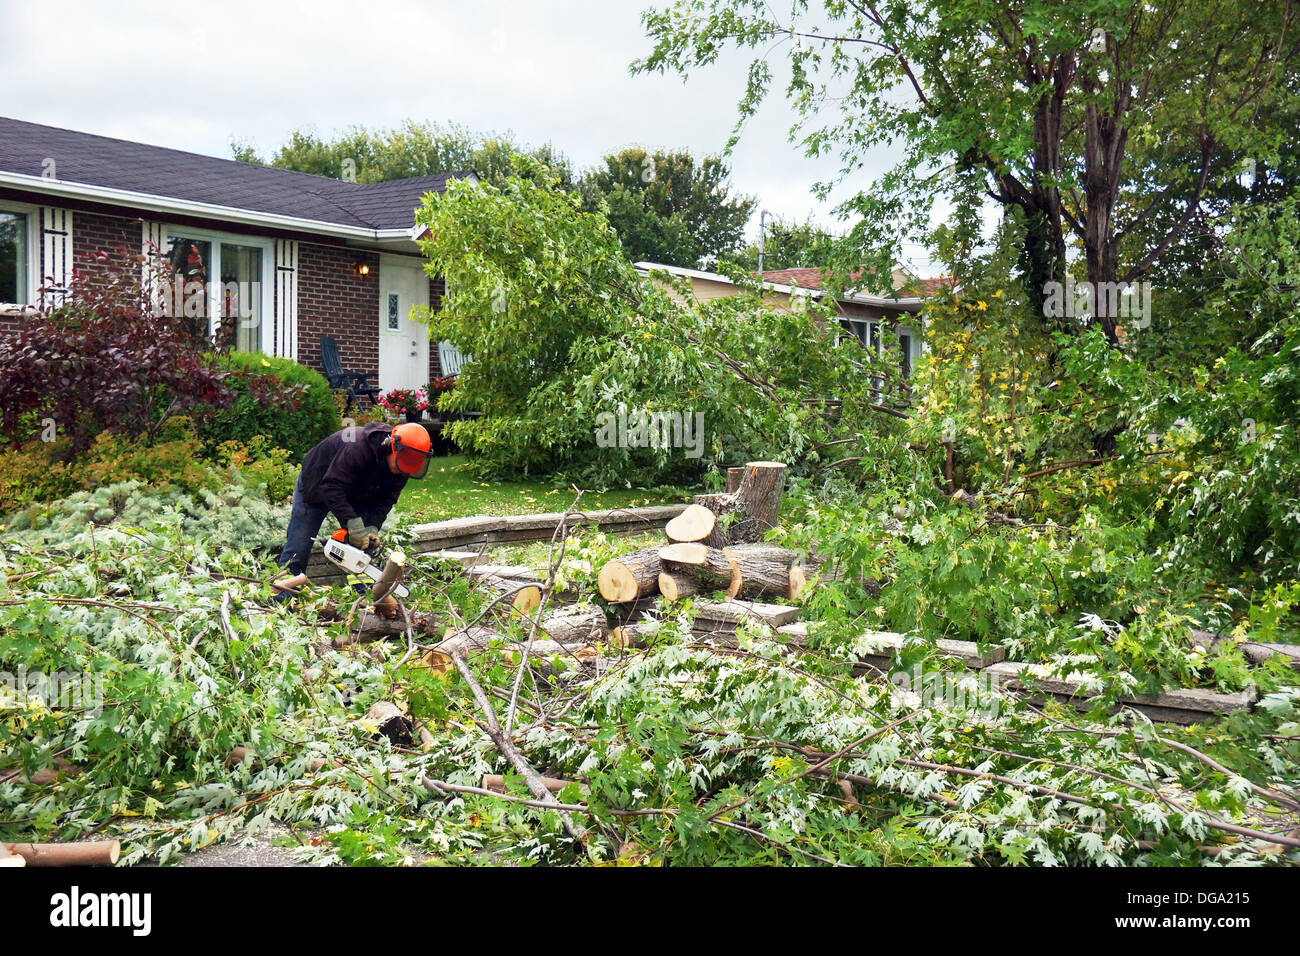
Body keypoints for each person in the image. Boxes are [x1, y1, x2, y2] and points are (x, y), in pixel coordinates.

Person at [272, 421, 432, 601]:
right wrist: (353, 524)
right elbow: (330, 487)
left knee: (363, 549)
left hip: (358, 490)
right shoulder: (358, 448)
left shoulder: (403, 467)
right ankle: (281, 599)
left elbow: (386, 500)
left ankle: (364, 598)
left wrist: (371, 527)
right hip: (318, 482)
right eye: (399, 463)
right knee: (299, 545)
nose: (399, 470)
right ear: (390, 446)